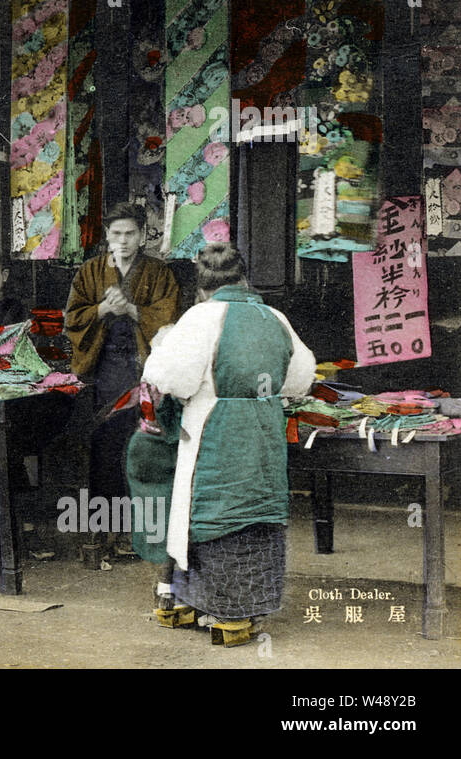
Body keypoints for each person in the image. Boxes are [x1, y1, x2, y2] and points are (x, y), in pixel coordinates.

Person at [139, 243, 315, 645]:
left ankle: (202, 604)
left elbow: (170, 379)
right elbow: (301, 378)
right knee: (253, 514)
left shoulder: (199, 318)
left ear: (201, 288)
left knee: (208, 514)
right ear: (244, 279)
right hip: (261, 432)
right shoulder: (274, 317)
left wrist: (161, 344)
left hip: (212, 428)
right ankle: (243, 610)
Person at [65, 202, 179, 559]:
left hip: (147, 369)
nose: (124, 241)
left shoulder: (159, 273)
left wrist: (131, 310)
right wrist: (101, 309)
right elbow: (73, 317)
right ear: (107, 237)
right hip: (107, 371)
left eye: (130, 233)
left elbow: (170, 317)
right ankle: (104, 531)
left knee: (145, 451)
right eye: (116, 234)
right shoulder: (91, 271)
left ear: (143, 236)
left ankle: (141, 535)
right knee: (105, 449)